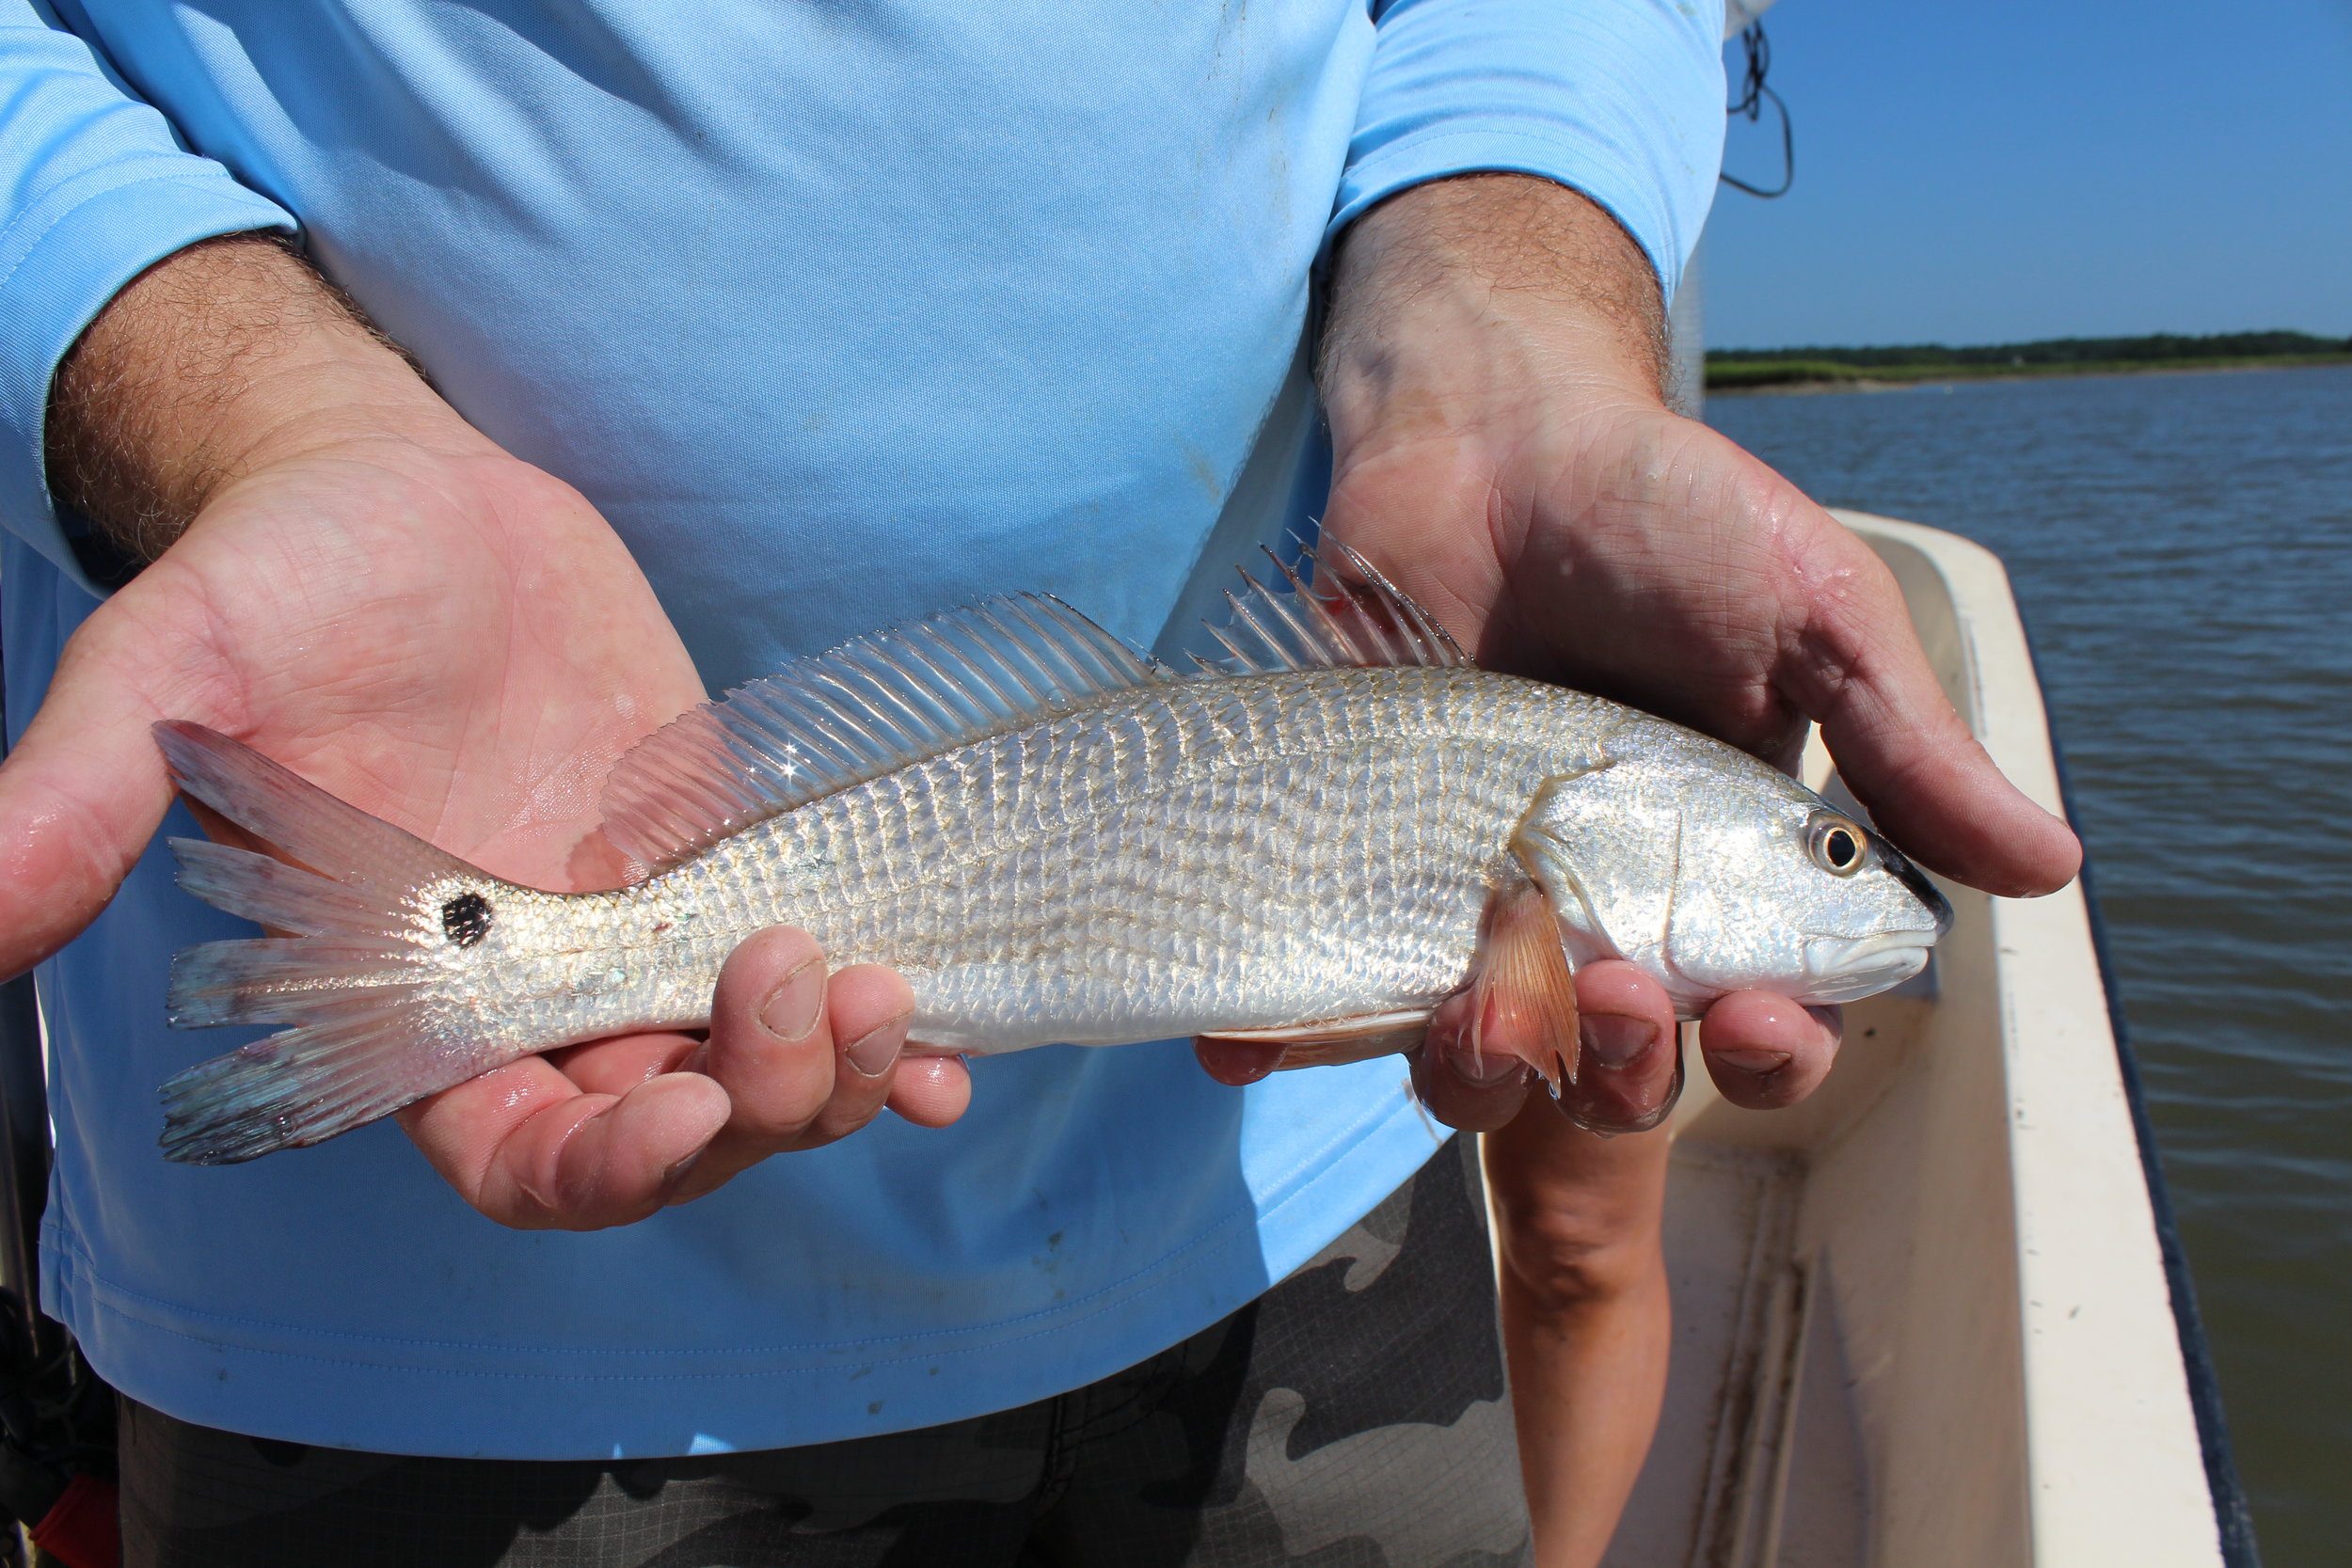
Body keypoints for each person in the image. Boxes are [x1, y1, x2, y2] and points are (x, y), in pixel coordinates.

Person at [0, 1, 2079, 1562]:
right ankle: (489, 963)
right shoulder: (1539, 852)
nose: (1842, 888)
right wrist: (239, 408)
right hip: (425, 1344)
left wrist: (1514, 327)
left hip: (1311, 1247)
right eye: (1810, 847)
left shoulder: (1533, 894)